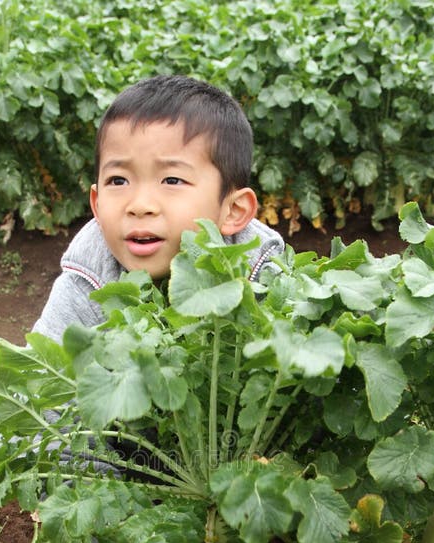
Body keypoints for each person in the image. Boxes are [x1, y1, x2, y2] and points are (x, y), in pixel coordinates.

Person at [32, 74, 285, 342]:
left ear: (233, 210)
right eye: (118, 180)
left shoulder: (264, 275)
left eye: (172, 180)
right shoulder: (84, 284)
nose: (140, 206)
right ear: (97, 204)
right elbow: (37, 374)